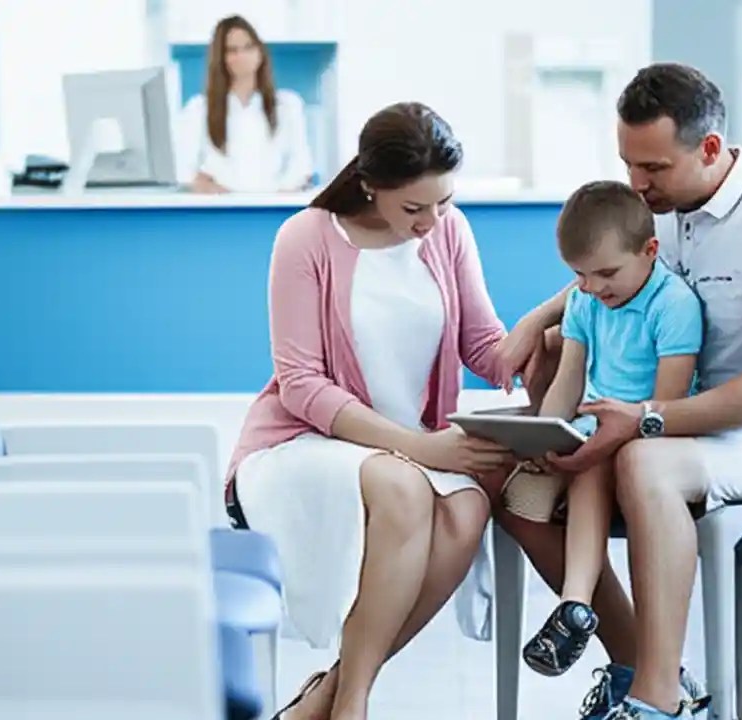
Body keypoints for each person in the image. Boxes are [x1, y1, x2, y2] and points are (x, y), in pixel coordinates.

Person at [501, 62, 742, 720]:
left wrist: (645, 419)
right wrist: (536, 322)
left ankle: (655, 700)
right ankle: (642, 664)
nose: (637, 184)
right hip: (684, 428)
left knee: (638, 457)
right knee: (518, 490)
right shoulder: (666, 210)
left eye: (653, 168)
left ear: (709, 149)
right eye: (628, 165)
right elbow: (613, 271)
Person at [223, 102, 539, 720]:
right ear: (370, 185)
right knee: (404, 488)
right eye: (413, 209)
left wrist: (547, 327)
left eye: (442, 203)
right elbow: (302, 386)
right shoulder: (306, 238)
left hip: (408, 447)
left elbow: (482, 344)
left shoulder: (449, 231)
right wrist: (421, 448)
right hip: (305, 442)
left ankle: (333, 691)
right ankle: (356, 705)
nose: (431, 222)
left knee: (468, 506)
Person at [504, 180, 702, 679]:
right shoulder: (585, 302)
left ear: (649, 250)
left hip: (653, 435)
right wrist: (546, 436)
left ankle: (575, 604)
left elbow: (669, 403)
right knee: (559, 476)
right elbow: (569, 382)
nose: (592, 287)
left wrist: (609, 435)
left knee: (596, 465)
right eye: (579, 275)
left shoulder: (673, 305)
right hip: (596, 433)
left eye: (607, 273)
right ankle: (575, 607)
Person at [175, 14, 314, 194]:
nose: (242, 56)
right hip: (219, 210)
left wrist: (280, 195)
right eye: (232, 50)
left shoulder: (287, 104)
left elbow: (301, 165)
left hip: (275, 208)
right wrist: (204, 186)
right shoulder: (199, 109)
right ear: (221, 58)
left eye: (249, 47)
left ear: (260, 52)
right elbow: (183, 170)